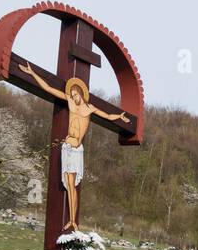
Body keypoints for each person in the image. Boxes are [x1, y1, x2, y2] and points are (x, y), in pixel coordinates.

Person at [20, 62, 130, 230]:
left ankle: (73, 220)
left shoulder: (89, 108)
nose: (73, 97)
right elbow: (48, 88)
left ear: (81, 94)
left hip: (77, 150)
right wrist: (31, 73)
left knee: (74, 187)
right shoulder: (70, 103)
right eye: (71, 94)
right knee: (69, 185)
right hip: (68, 147)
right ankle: (71, 220)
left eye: (75, 94)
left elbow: (107, 115)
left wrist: (120, 117)